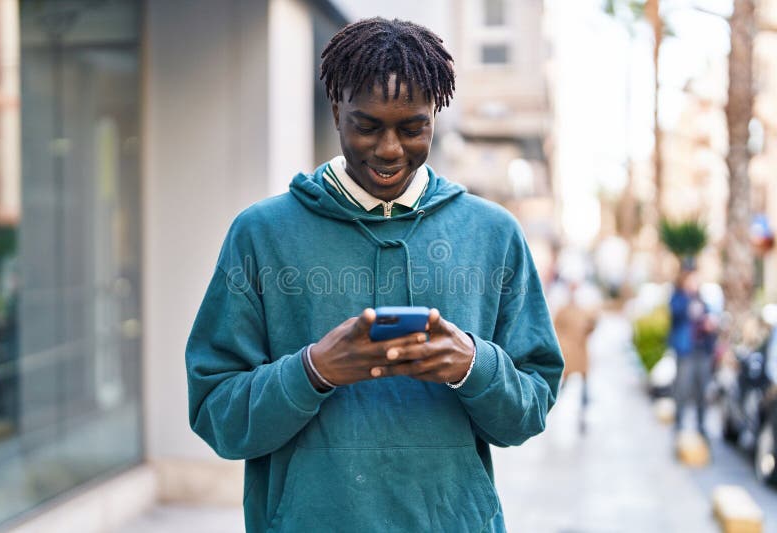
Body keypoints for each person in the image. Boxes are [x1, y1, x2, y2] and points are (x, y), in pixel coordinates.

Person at [185, 17, 563, 532]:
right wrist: (315, 369)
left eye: (413, 128)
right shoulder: (262, 234)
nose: (390, 149)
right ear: (336, 109)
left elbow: (530, 410)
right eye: (368, 126)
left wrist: (473, 366)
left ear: (435, 117)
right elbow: (216, 415)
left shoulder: (493, 234)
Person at [668, 268, 716, 438]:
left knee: (702, 389)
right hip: (686, 350)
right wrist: (688, 300)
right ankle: (679, 423)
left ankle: (701, 425)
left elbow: (708, 316)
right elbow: (676, 313)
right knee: (683, 387)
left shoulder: (702, 299)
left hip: (702, 350)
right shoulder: (679, 297)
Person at [553, 282, 597, 433]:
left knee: (583, 384)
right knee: (565, 383)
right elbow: (555, 329)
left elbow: (591, 327)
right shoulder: (563, 310)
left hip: (579, 351)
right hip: (569, 352)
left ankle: (583, 413)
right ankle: (552, 405)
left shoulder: (583, 310)